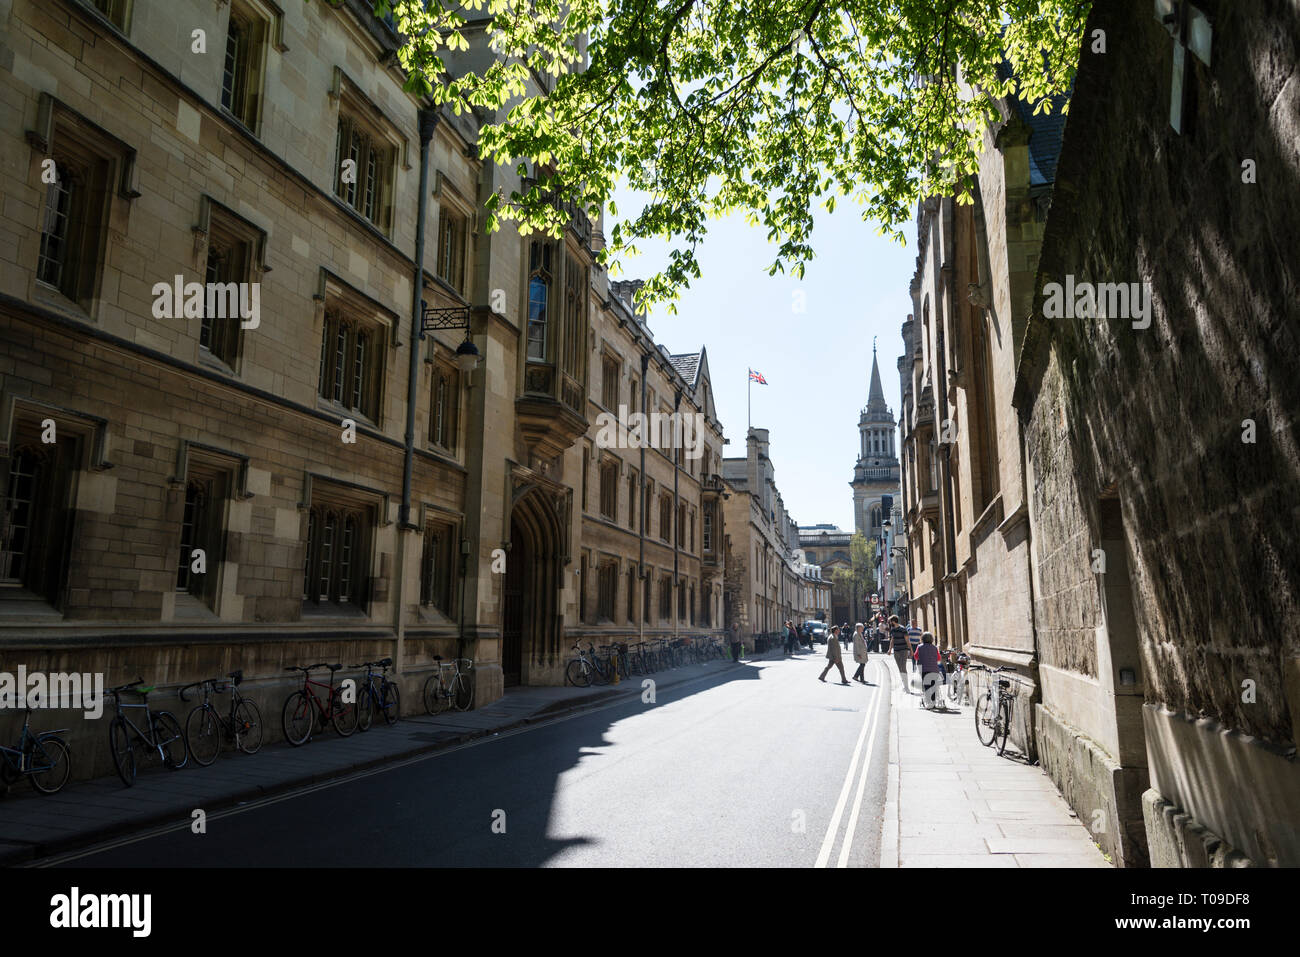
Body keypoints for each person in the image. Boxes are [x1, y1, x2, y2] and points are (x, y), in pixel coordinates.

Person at [915, 632, 943, 704]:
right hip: (934, 669)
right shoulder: (934, 647)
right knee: (933, 685)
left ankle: (928, 702)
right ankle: (933, 702)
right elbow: (939, 658)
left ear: (923, 639)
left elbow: (915, 656)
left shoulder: (919, 647)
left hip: (924, 669)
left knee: (927, 685)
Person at [889, 615, 911, 689]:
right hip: (896, 651)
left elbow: (907, 640)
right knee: (900, 668)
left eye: (890, 622)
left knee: (903, 668)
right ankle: (904, 683)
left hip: (903, 650)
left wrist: (911, 650)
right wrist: (889, 649)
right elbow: (892, 640)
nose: (890, 623)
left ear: (893, 621)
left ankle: (906, 686)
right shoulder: (893, 629)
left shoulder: (903, 629)